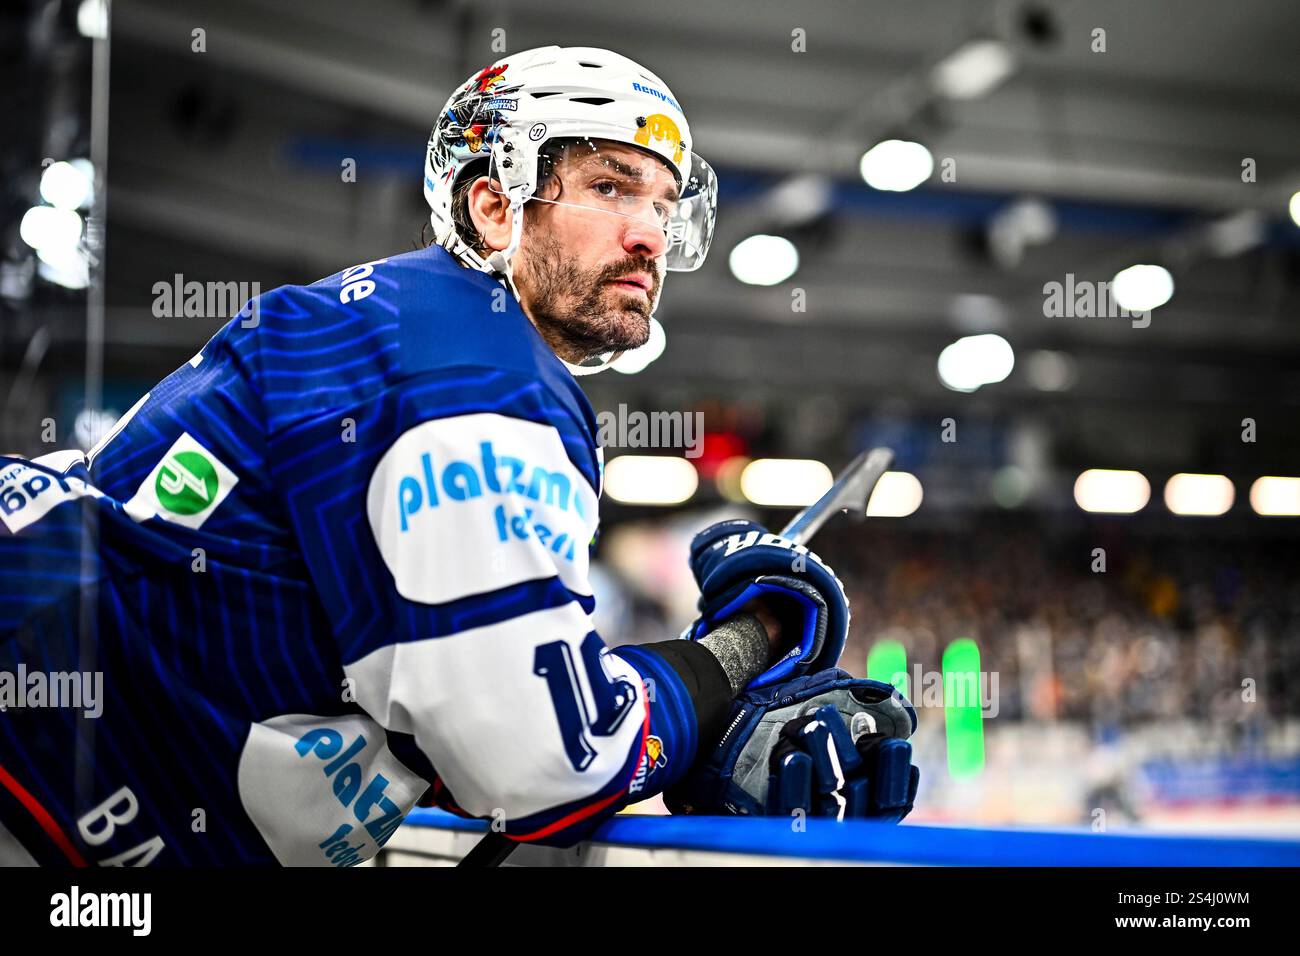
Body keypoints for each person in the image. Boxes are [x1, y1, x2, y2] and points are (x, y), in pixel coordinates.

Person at [0, 46, 911, 867]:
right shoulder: (476, 365)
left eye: (663, 207)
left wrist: (692, 701)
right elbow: (540, 764)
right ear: (492, 206)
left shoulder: (396, 324)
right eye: (609, 187)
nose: (648, 235)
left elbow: (439, 717)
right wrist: (730, 661)